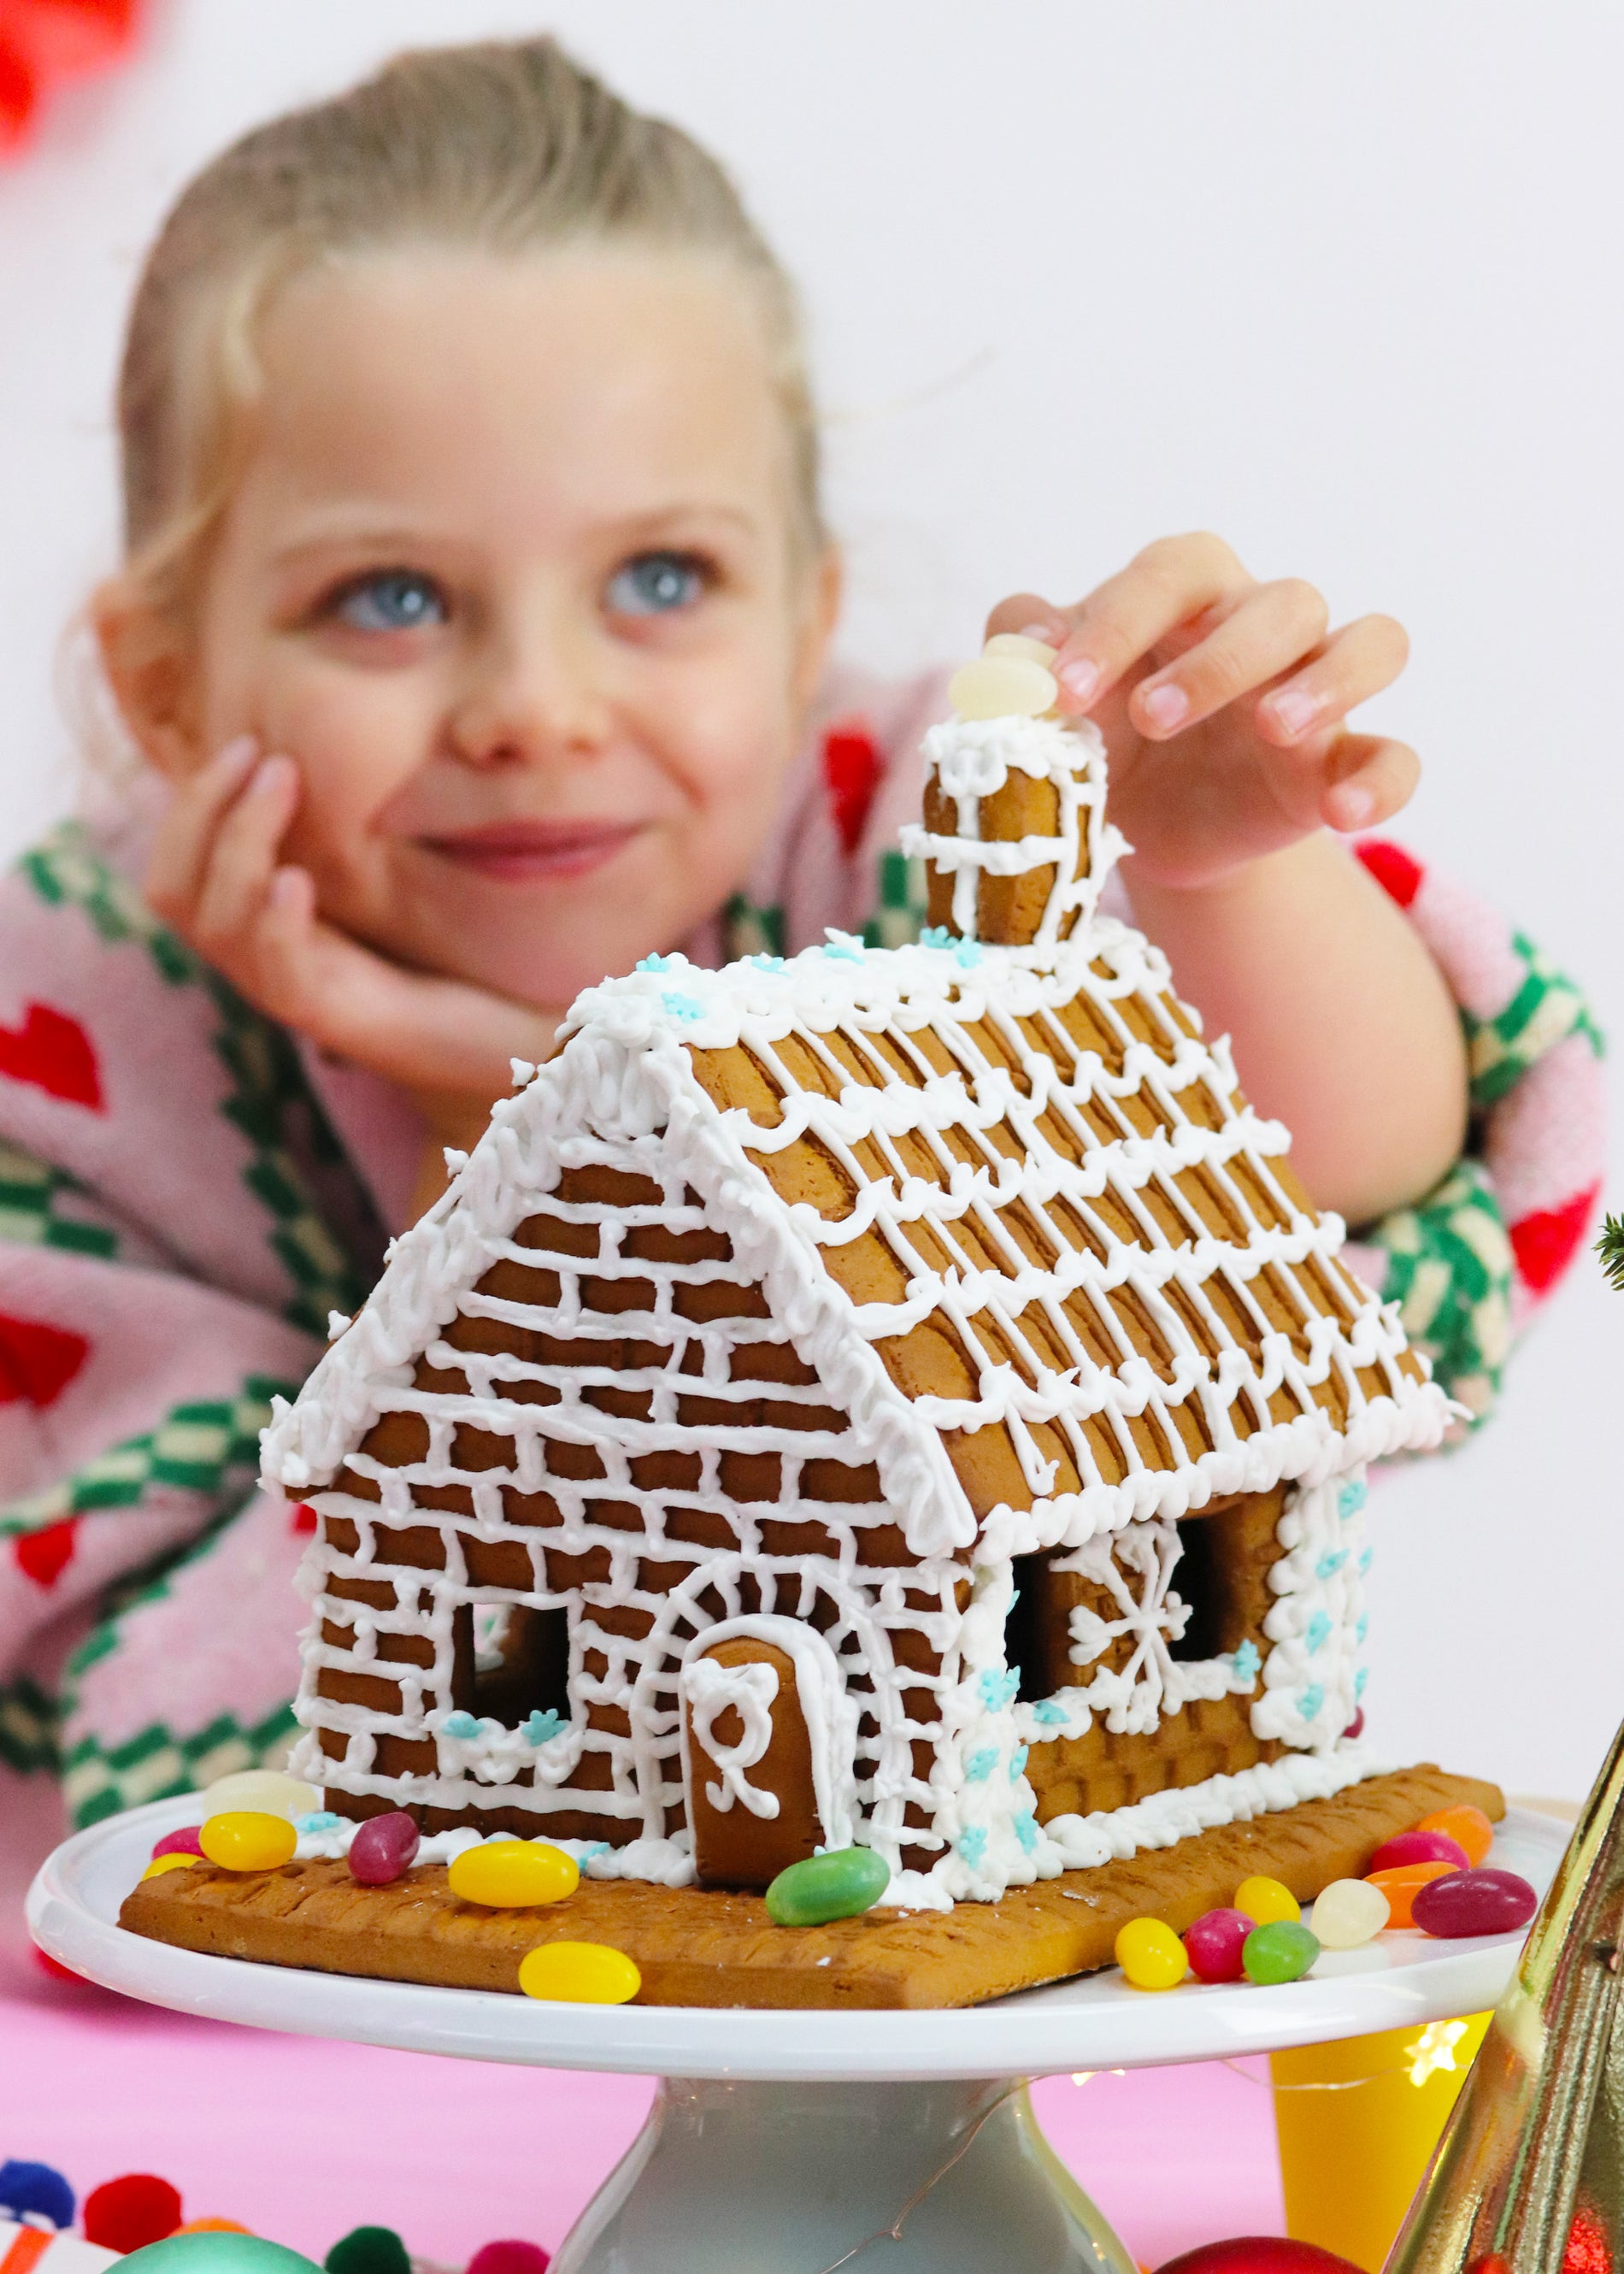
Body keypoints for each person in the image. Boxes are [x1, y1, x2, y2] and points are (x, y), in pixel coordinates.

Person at [0, 37, 1601, 1830]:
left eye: (659, 580)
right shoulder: (67, 1030)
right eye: (390, 598)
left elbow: (1342, 1218)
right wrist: (541, 1156)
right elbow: (170, 1742)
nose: (535, 707)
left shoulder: (928, 833)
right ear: (164, 685)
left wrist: (1217, 871)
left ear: (800, 623)